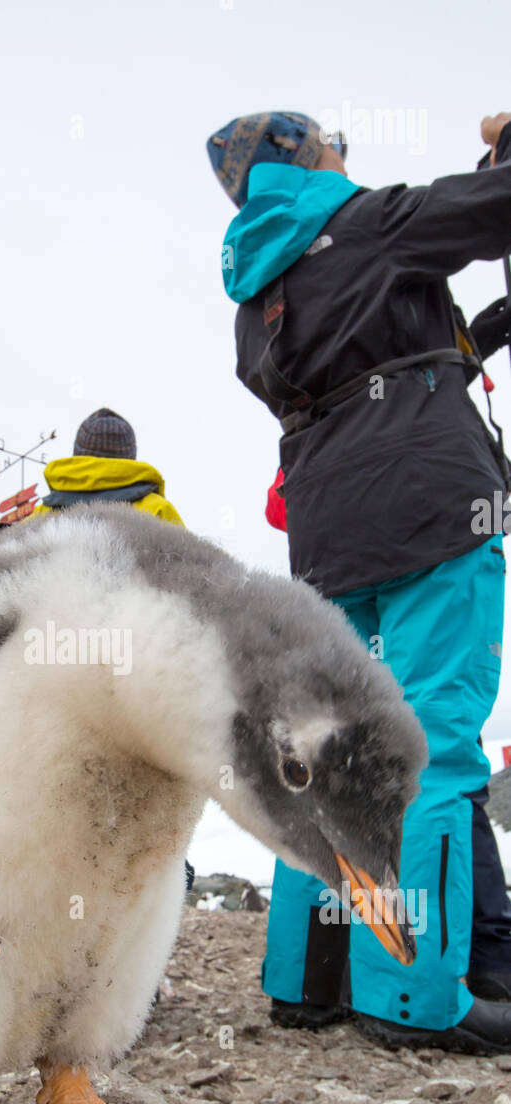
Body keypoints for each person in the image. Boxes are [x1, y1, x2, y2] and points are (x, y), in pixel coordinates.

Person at [206, 108, 511, 1052]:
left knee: (325, 753)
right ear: (306, 158)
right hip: (430, 506)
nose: (348, 149)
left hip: (329, 538)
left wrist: (477, 334)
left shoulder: (256, 295)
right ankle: (416, 997)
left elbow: (372, 365)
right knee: (431, 742)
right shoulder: (370, 222)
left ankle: (309, 983)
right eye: (333, 138)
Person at [31, 408, 184, 525]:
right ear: (130, 457)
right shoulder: (156, 510)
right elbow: (190, 563)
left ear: (77, 456)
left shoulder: (42, 515)